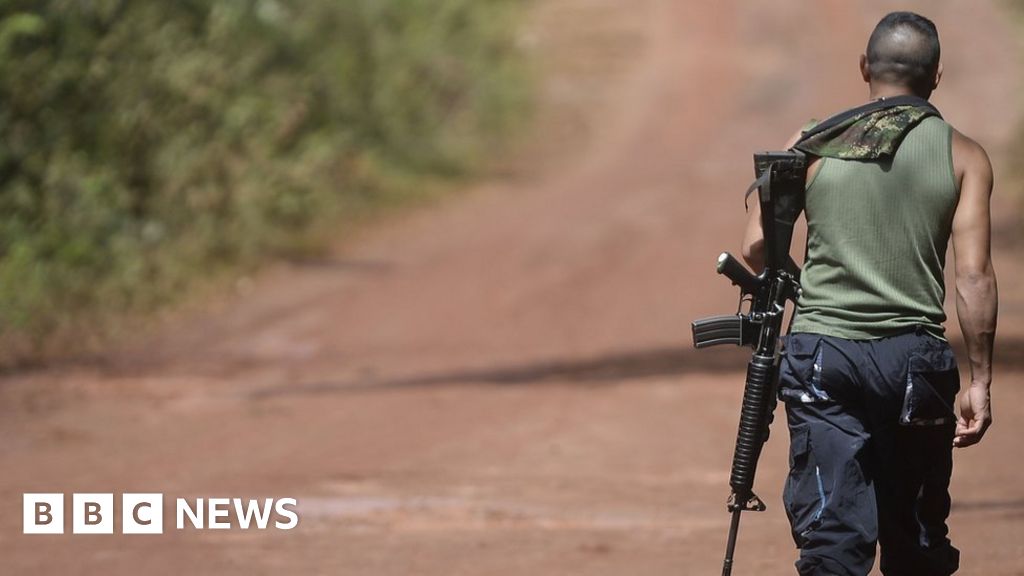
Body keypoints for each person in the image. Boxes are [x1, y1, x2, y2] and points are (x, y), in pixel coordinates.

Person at [739, 11, 998, 576]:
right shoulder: (965, 156)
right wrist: (978, 380)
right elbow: (973, 276)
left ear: (865, 69)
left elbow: (756, 249)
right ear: (936, 77)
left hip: (822, 359)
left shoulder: (811, 142)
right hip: (915, 364)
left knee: (832, 541)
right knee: (916, 544)